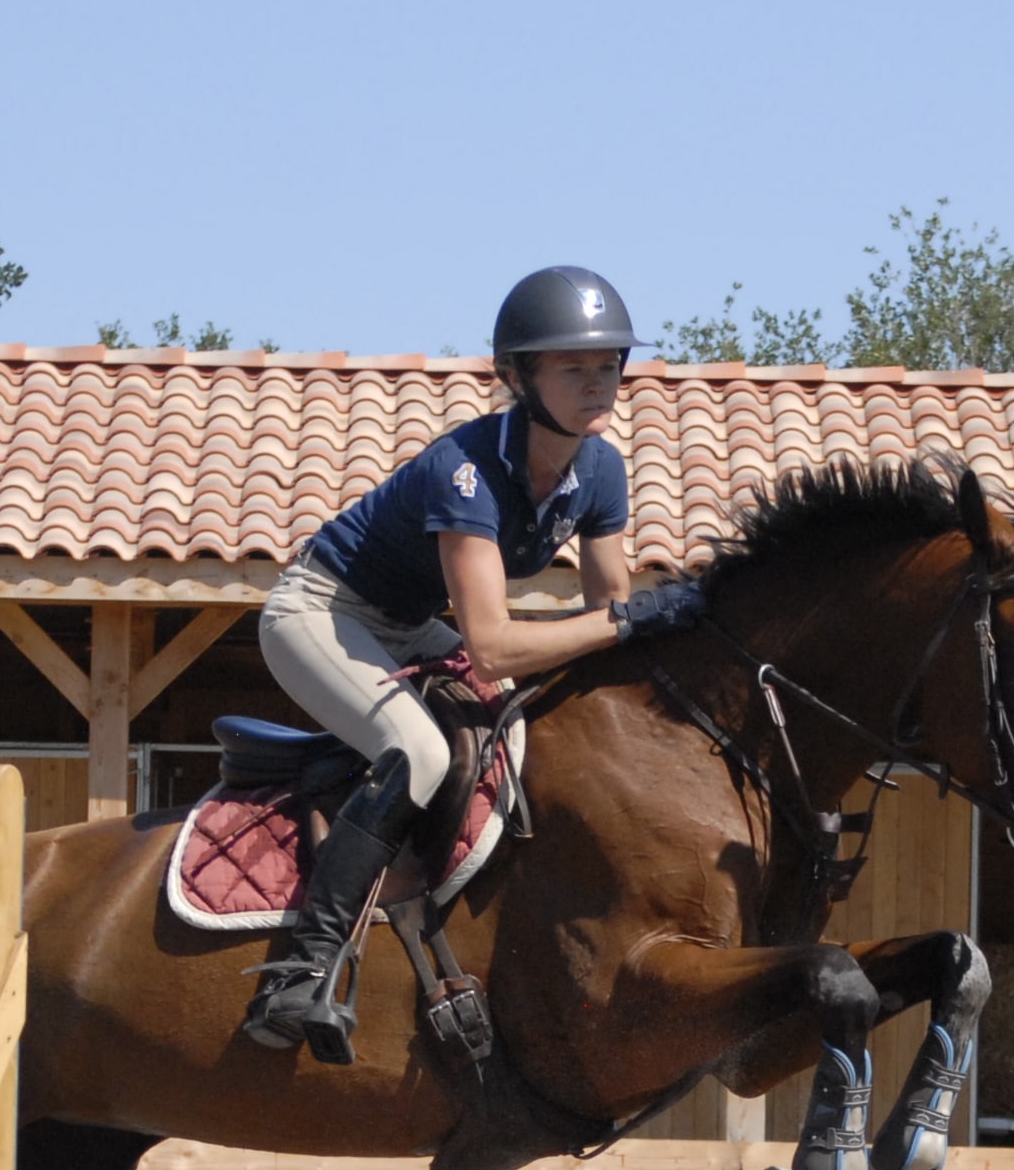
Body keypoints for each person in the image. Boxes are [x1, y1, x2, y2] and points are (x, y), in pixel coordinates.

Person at [241, 264, 707, 1059]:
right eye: (573, 367)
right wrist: (628, 621)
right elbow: (493, 647)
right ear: (519, 376)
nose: (599, 383)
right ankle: (300, 970)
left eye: (608, 365)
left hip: (410, 624)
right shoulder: (466, 470)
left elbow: (607, 614)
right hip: (320, 613)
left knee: (527, 726)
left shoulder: (601, 470)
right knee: (418, 752)